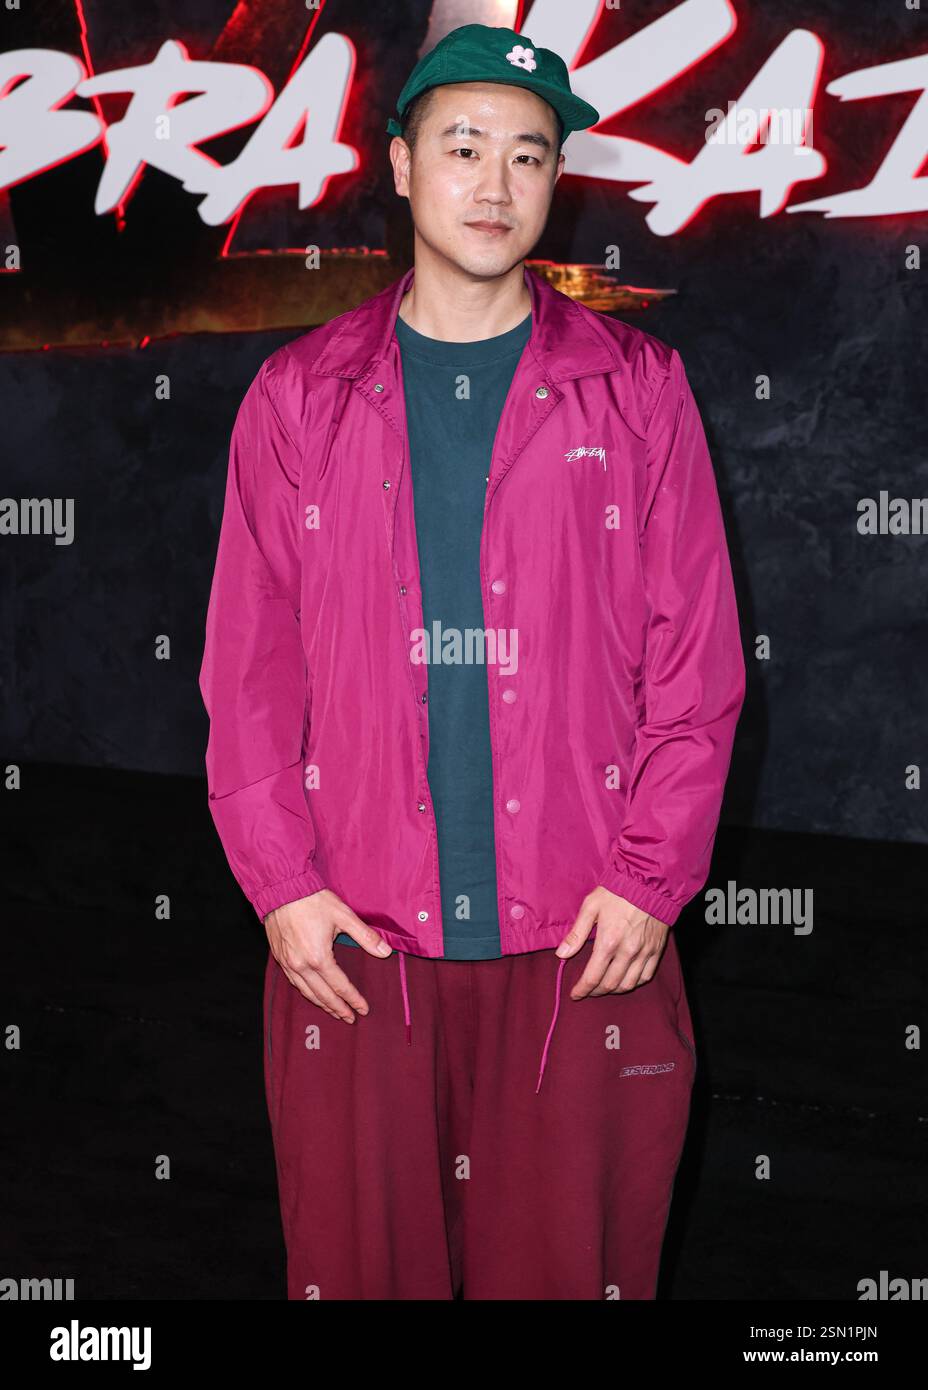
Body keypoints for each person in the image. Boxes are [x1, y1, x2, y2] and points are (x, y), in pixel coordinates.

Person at [198, 22, 746, 1300]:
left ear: (557, 184)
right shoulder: (297, 395)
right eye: (462, 147)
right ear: (398, 166)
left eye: (528, 156)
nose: (494, 184)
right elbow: (247, 672)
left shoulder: (638, 389)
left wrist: (652, 878)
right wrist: (280, 884)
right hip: (352, 945)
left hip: (583, 937)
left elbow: (698, 665)